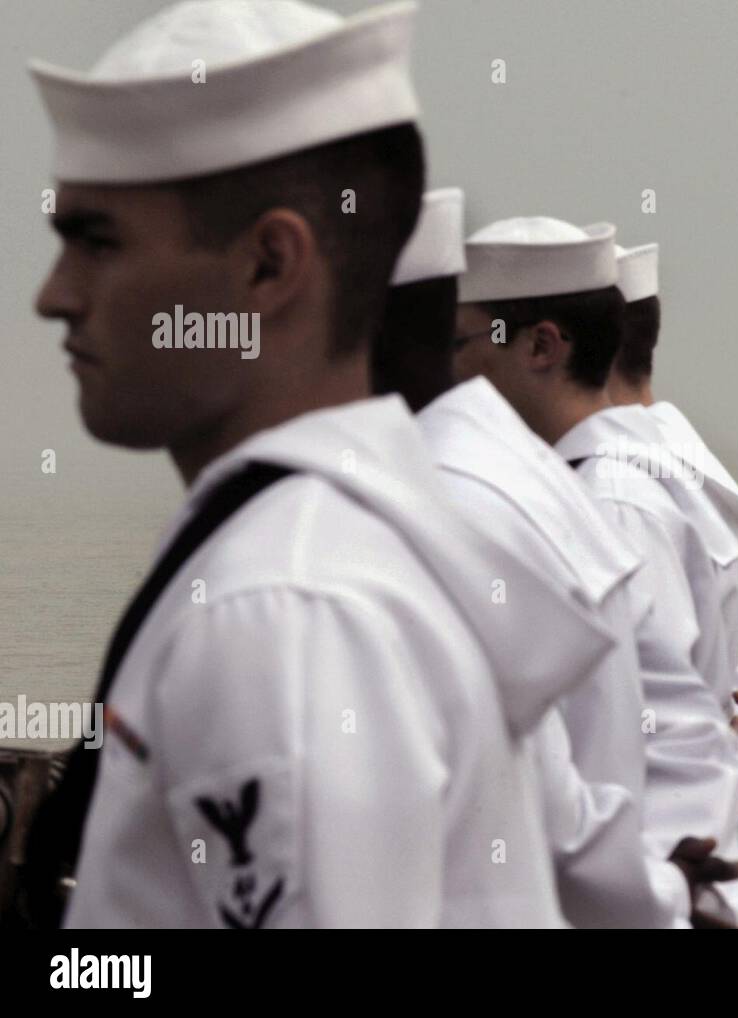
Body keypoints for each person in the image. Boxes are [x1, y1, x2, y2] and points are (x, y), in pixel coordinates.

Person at [23, 0, 606, 929]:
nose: (54, 297)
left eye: (97, 242)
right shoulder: (346, 548)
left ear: (267, 266)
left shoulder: (281, 606)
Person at [375, 189, 738, 926]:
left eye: (462, 344)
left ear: (541, 346)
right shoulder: (568, 488)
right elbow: (696, 713)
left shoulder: (601, 499)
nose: (453, 375)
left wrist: (669, 886)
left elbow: (639, 741)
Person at [606, 242, 738, 869]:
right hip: (697, 853)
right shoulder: (692, 473)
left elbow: (651, 704)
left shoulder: (615, 494)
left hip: (649, 864)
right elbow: (715, 687)